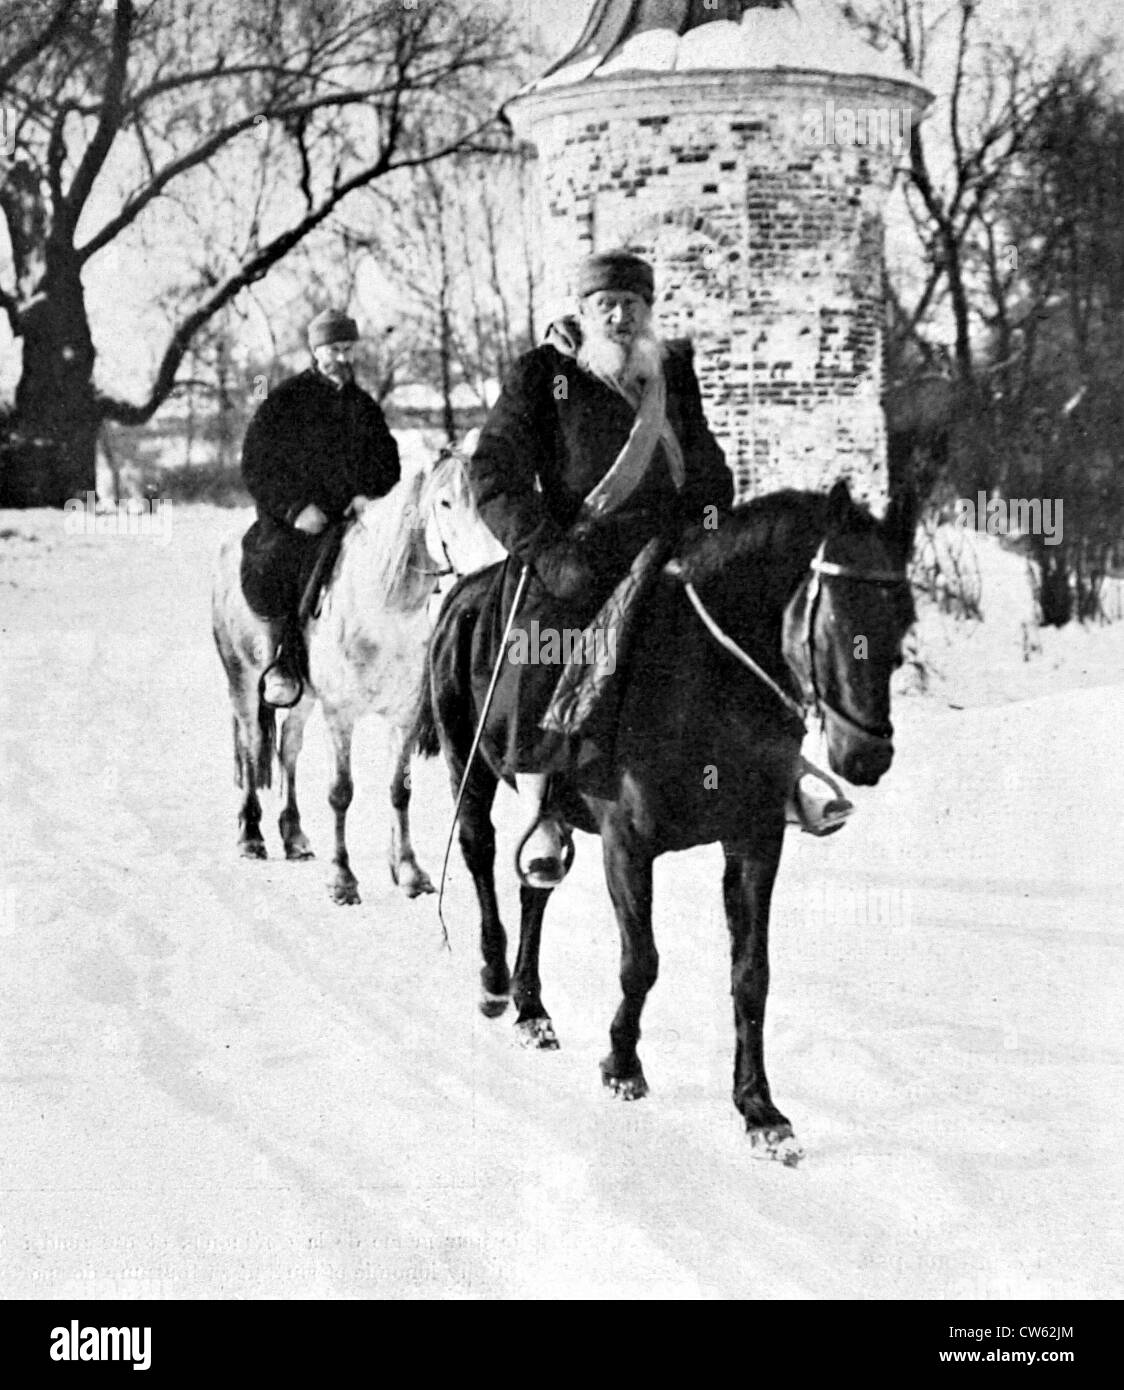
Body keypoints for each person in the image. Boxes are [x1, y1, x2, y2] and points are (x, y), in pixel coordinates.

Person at [468, 250, 734, 886]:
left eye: (632, 305)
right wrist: (550, 555)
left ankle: (769, 776)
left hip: (668, 552)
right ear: (582, 311)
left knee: (743, 632)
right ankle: (539, 808)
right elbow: (494, 474)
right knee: (537, 653)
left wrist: (710, 527)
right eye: (605, 305)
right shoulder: (546, 375)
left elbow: (707, 467)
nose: (619, 315)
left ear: (649, 311)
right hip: (576, 557)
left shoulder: (672, 372)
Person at [240, 308, 401, 705]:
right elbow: (257, 465)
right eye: (334, 349)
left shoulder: (364, 406)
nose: (344, 358)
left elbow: (387, 463)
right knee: (277, 563)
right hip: (297, 520)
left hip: (351, 518)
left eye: (349, 348)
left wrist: (369, 495)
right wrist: (296, 510)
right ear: (316, 352)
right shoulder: (284, 401)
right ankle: (283, 660)